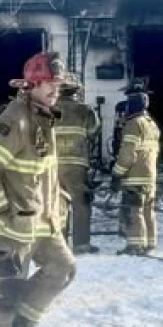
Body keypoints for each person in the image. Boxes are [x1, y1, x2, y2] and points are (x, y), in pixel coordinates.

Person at [0, 52, 76, 327]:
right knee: (6, 289)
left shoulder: (44, 118)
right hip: (13, 227)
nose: (53, 90)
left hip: (44, 222)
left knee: (63, 268)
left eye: (56, 85)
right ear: (31, 85)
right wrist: (2, 208)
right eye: (47, 84)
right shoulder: (14, 119)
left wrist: (59, 200)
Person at [54, 77, 101, 255]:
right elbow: (93, 131)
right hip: (77, 165)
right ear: (76, 92)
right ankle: (81, 245)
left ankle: (60, 245)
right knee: (81, 204)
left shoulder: (48, 110)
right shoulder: (85, 111)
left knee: (58, 206)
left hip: (53, 165)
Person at [111, 91, 161, 255]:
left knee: (135, 210)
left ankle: (135, 245)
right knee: (149, 209)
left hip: (135, 177)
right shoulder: (151, 124)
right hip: (150, 176)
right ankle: (150, 243)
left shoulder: (133, 124)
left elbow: (127, 153)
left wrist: (117, 173)